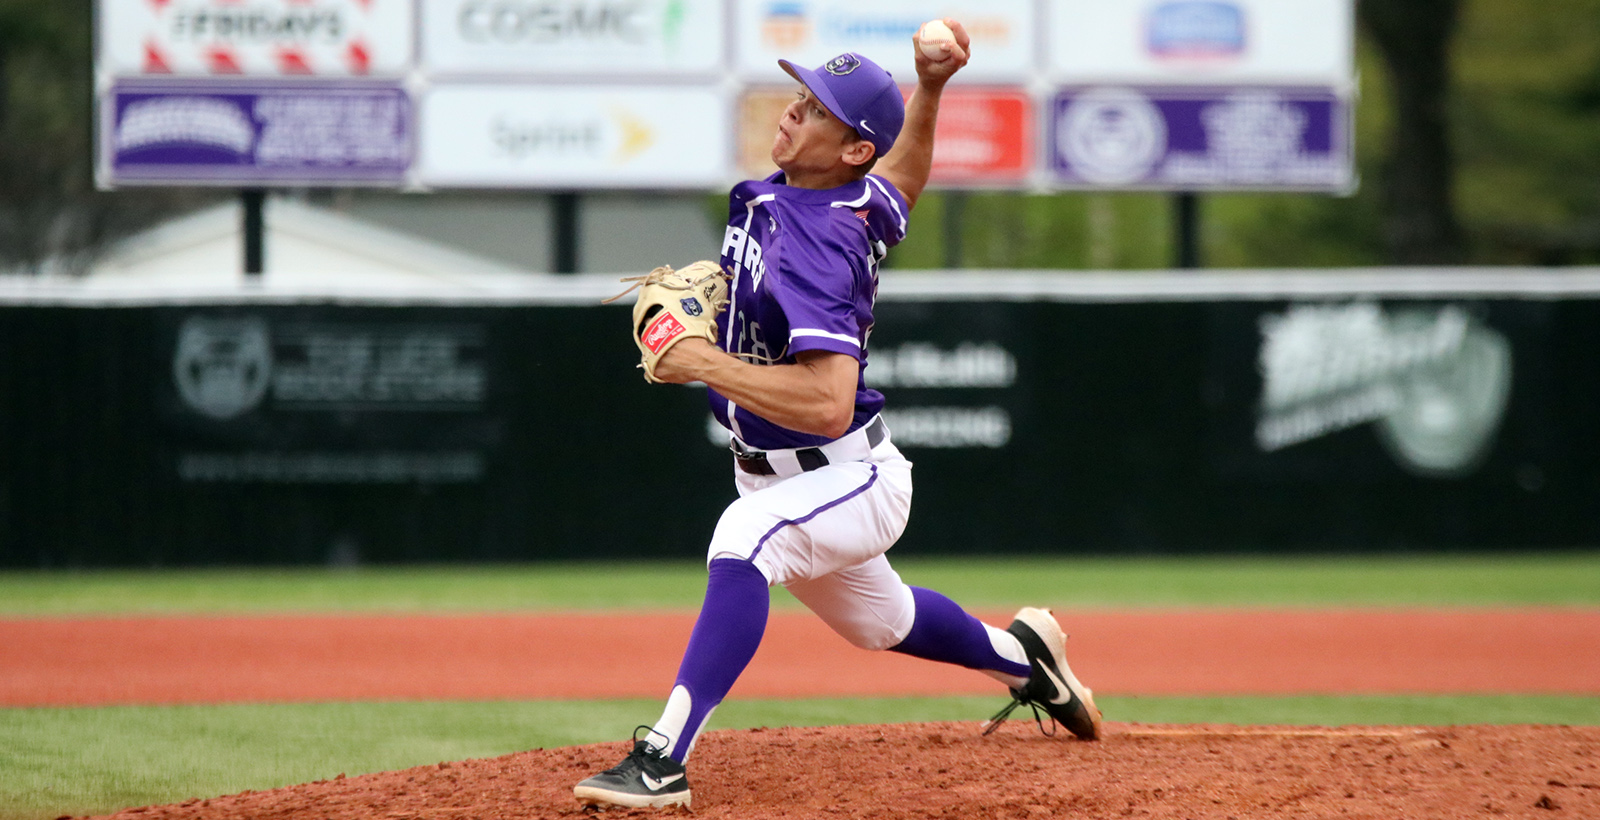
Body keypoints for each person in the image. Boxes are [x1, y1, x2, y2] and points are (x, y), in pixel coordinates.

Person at [574, 21, 1101, 810]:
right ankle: (1028, 661)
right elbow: (907, 179)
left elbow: (826, 405)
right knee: (881, 623)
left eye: (816, 109)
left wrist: (701, 362)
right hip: (782, 475)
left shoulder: (824, 243)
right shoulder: (830, 195)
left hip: (850, 475)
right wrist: (932, 88)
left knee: (742, 539)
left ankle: (661, 760)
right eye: (800, 95)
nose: (793, 111)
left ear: (852, 148)